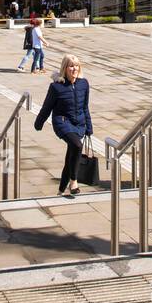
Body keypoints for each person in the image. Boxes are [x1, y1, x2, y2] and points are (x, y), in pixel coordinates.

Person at [34, 54, 93, 197]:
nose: (74, 68)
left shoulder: (83, 84)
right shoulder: (56, 87)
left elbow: (85, 107)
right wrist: (39, 123)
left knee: (70, 157)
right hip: (62, 122)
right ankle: (74, 181)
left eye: (76, 65)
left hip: (78, 124)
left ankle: (60, 191)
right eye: (71, 66)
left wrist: (89, 127)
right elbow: (47, 107)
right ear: (65, 68)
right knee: (77, 146)